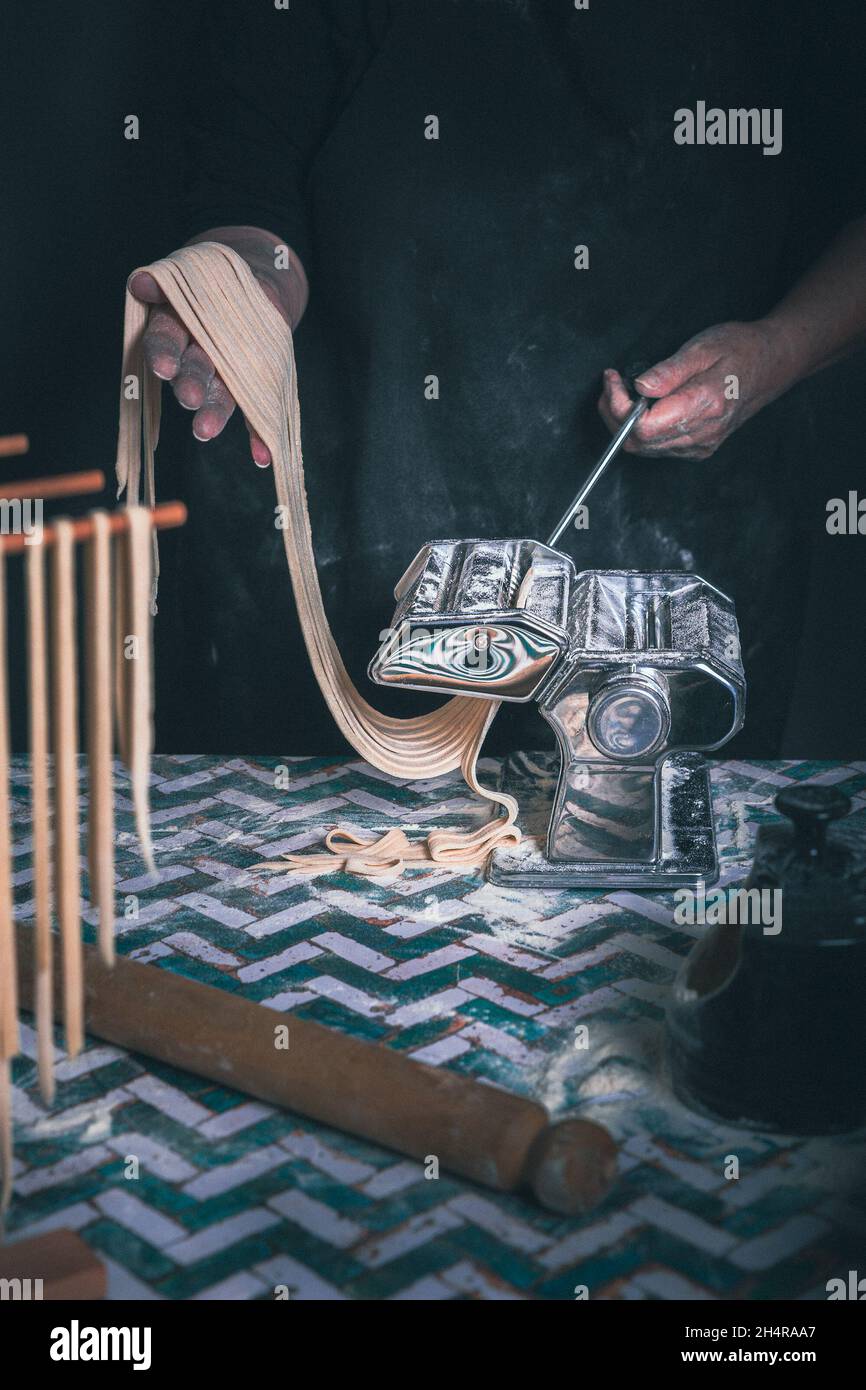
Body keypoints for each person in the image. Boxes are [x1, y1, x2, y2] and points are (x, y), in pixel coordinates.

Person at [130, 0, 866, 757]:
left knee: (641, 804)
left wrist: (775, 354)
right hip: (343, 512)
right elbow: (249, 171)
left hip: (673, 558)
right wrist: (243, 291)